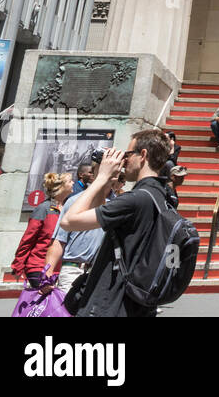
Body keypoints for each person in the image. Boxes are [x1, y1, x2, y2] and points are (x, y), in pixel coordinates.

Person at [57, 130, 177, 317]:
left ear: (143, 155)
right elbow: (96, 216)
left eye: (128, 155)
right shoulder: (162, 197)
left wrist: (101, 178)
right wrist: (105, 185)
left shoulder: (134, 200)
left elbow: (68, 221)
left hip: (110, 303)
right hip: (136, 304)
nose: (124, 161)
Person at [45, 166, 122, 298]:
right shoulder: (75, 201)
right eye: (110, 166)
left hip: (102, 274)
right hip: (73, 271)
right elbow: (59, 240)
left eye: (118, 168)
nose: (114, 171)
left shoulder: (120, 204)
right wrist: (47, 273)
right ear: (96, 171)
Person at [12, 172, 71, 289]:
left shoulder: (69, 209)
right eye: (70, 181)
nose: (73, 183)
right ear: (61, 187)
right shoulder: (43, 209)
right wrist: (18, 266)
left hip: (59, 268)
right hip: (39, 267)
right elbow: (27, 239)